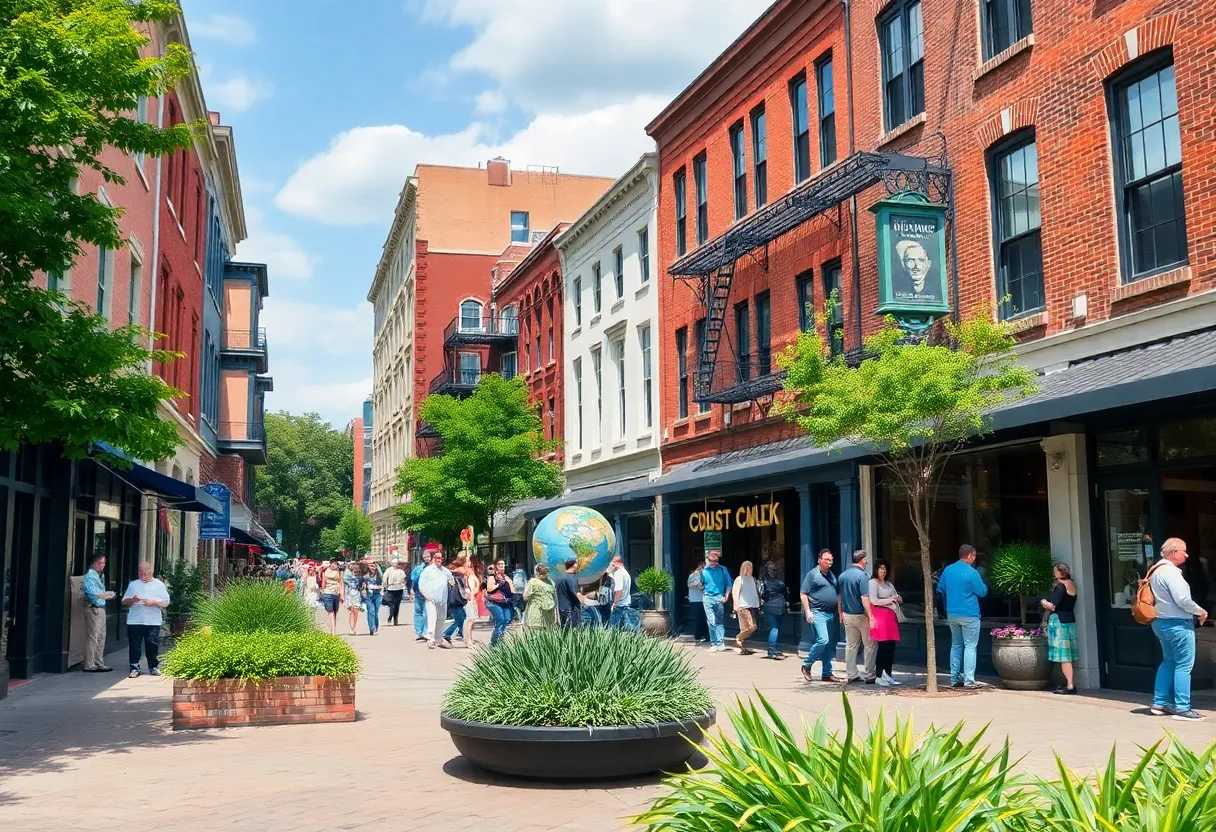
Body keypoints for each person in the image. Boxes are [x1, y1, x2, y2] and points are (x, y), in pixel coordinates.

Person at [1149, 538, 1208, 721]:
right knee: (1184, 664)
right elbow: (1182, 600)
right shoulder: (1172, 573)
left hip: (1159, 622)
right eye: (1184, 551)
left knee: (1168, 661)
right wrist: (1200, 611)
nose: (1187, 554)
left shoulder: (1155, 570)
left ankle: (1159, 703)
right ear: (1174, 553)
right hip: (1178, 624)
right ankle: (1183, 708)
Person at [938, 544, 989, 689]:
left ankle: (954, 678)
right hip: (969, 613)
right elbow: (982, 592)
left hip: (952, 613)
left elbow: (940, 589)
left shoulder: (948, 570)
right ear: (969, 556)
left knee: (956, 645)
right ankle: (969, 680)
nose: (974, 559)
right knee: (970, 646)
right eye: (974, 557)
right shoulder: (972, 572)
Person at [121, 562, 170, 678]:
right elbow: (124, 602)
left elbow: (166, 602)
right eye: (140, 572)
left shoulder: (159, 585)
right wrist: (132, 600)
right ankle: (134, 667)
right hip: (135, 620)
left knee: (152, 644)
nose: (142, 574)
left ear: (150, 571)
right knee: (135, 645)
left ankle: (153, 667)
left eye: (145, 572)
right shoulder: (133, 584)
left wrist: (154, 602)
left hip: (152, 621)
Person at [800, 549, 842, 683]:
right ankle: (806, 664)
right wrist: (808, 612)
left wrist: (840, 612)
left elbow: (836, 593)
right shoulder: (812, 574)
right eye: (827, 560)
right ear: (819, 560)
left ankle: (827, 673)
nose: (829, 562)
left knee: (827, 645)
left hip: (830, 613)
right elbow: (803, 594)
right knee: (823, 640)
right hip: (817, 612)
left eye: (831, 560)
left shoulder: (831, 575)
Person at [1040, 562, 1077, 695]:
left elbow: (1053, 606)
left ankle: (1070, 685)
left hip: (1059, 622)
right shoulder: (1071, 583)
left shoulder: (1060, 586)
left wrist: (1044, 602)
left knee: (1064, 655)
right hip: (1070, 620)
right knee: (1069, 654)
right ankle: (1070, 682)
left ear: (1059, 573)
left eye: (1055, 571)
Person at [869, 560, 903, 686]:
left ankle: (888, 674)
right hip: (880, 616)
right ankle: (878, 675)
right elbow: (874, 600)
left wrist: (896, 598)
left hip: (891, 617)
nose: (883, 571)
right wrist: (891, 600)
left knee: (891, 647)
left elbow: (897, 597)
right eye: (881, 568)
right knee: (883, 647)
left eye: (885, 569)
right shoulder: (872, 583)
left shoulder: (888, 584)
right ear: (876, 569)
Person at [81, 553, 116, 672]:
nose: (104, 565)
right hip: (93, 608)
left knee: (101, 636)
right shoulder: (90, 577)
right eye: (102, 563)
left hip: (100, 608)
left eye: (104, 563)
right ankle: (89, 664)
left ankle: (99, 662)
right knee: (93, 636)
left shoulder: (99, 576)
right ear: (95, 563)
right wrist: (107, 595)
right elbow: (93, 594)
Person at [418, 549, 452, 649]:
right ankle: (430, 638)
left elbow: (450, 578)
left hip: (443, 599)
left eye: (441, 558)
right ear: (433, 558)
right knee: (432, 618)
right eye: (437, 558)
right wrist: (426, 595)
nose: (439, 560)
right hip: (431, 599)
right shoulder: (427, 570)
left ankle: (438, 638)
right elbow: (421, 585)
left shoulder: (444, 570)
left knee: (441, 619)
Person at [700, 551, 731, 652]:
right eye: (710, 561)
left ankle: (720, 642)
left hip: (719, 597)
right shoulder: (704, 571)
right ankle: (713, 642)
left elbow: (728, 583)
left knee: (719, 621)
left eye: (714, 561)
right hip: (708, 597)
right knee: (711, 621)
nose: (712, 563)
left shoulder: (723, 569)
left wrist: (726, 596)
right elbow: (701, 584)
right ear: (708, 560)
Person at [731, 560, 761, 655]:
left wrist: (758, 604)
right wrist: (736, 605)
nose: (751, 569)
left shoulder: (752, 579)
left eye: (751, 567)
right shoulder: (739, 579)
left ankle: (741, 646)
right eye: (749, 567)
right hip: (743, 606)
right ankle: (738, 639)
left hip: (752, 606)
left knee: (748, 628)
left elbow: (754, 592)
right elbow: (735, 593)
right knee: (750, 626)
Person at [759, 562, 787, 660]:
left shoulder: (764, 582)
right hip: (780, 606)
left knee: (774, 628)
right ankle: (774, 648)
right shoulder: (780, 583)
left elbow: (762, 594)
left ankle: (772, 649)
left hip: (770, 607)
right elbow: (785, 592)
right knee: (777, 628)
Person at [442, 554, 471, 647]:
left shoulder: (457, 571)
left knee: (461, 618)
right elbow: (465, 585)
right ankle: (466, 638)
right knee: (461, 619)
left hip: (457, 599)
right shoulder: (460, 572)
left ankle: (447, 634)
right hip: (456, 598)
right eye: (468, 560)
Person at [485, 560, 515, 645]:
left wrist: (510, 584)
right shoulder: (492, 576)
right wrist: (499, 584)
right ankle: (494, 643)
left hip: (505, 602)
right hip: (494, 602)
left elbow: (513, 590)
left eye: (503, 564)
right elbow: (489, 588)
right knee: (500, 620)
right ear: (495, 566)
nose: (502, 566)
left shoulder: (506, 577)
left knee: (507, 619)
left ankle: (500, 640)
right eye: (500, 564)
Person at [608, 557, 639, 630]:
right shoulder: (625, 572)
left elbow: (619, 590)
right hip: (626, 603)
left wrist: (614, 605)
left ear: (614, 565)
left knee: (613, 629)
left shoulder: (618, 573)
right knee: (627, 627)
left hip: (619, 606)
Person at [523, 563, 558, 630]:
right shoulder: (551, 582)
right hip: (550, 613)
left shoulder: (532, 582)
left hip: (536, 612)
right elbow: (555, 599)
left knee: (536, 634)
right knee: (547, 635)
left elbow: (525, 597)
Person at [553, 558, 583, 627]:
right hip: (571, 611)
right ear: (574, 565)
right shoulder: (572, 579)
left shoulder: (558, 578)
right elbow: (576, 595)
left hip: (560, 610)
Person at [686, 561, 709, 643]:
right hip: (697, 600)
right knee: (701, 619)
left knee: (703, 619)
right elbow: (690, 585)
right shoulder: (693, 575)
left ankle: (704, 636)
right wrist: (699, 586)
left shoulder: (705, 576)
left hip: (701, 599)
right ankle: (699, 636)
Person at [343, 562, 367, 636]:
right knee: (352, 611)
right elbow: (344, 583)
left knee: (355, 611)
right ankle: (351, 628)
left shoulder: (361, 577)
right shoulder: (347, 576)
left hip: (357, 594)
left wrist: (363, 587)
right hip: (349, 595)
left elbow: (363, 586)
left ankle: (353, 628)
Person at [320, 559, 344, 635]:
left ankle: (332, 627)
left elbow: (341, 583)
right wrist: (323, 591)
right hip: (327, 592)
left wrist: (342, 594)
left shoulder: (339, 571)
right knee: (330, 611)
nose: (333, 565)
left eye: (335, 563)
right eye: (332, 563)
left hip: (336, 592)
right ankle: (333, 630)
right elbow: (322, 580)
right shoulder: (325, 570)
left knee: (335, 612)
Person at [382, 558, 407, 626]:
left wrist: (403, 583)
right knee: (391, 604)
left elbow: (404, 579)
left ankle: (395, 619)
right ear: (392, 563)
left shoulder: (401, 571)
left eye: (397, 563)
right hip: (391, 589)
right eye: (394, 563)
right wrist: (385, 585)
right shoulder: (389, 570)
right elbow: (384, 578)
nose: (396, 564)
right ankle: (391, 615)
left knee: (397, 605)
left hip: (399, 589)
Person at [411, 555, 429, 641]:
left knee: (425, 612)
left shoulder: (432, 569)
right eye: (425, 557)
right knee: (420, 612)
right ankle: (420, 632)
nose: (427, 558)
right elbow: (413, 580)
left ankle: (424, 632)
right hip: (420, 592)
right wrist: (412, 590)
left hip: (426, 593)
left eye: (428, 556)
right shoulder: (418, 568)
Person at [364, 562, 383, 636]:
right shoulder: (366, 576)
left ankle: (375, 625)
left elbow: (382, 583)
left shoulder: (379, 575)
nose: (373, 568)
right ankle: (372, 628)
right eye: (371, 566)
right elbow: (362, 585)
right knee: (371, 611)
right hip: (369, 595)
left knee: (376, 612)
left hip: (377, 595)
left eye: (374, 566)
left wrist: (382, 592)